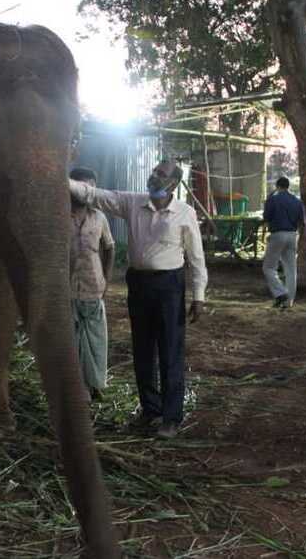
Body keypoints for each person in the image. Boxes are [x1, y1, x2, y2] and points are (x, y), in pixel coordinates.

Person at [69, 159, 207, 439]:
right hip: (140, 283)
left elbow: (196, 257)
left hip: (170, 285)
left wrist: (198, 295)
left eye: (161, 174)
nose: (154, 176)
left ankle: (171, 417)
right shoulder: (133, 203)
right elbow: (95, 195)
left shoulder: (184, 212)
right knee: (142, 350)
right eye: (154, 171)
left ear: (173, 183)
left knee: (170, 351)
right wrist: (57, 178)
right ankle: (150, 410)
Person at [68, 167, 116, 402]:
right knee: (72, 339)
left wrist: (106, 278)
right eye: (80, 186)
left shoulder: (99, 217)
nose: (85, 192)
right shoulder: (58, 215)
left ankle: (96, 384)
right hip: (65, 288)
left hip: (93, 285)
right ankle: (79, 388)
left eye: (90, 187)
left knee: (96, 339)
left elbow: (110, 247)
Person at [262, 176, 305, 309]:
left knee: (268, 268)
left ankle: (281, 293)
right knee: (291, 269)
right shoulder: (297, 201)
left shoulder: (273, 199)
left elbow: (266, 217)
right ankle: (289, 301)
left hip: (278, 234)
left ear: (277, 186)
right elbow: (302, 222)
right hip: (293, 234)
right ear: (288, 186)